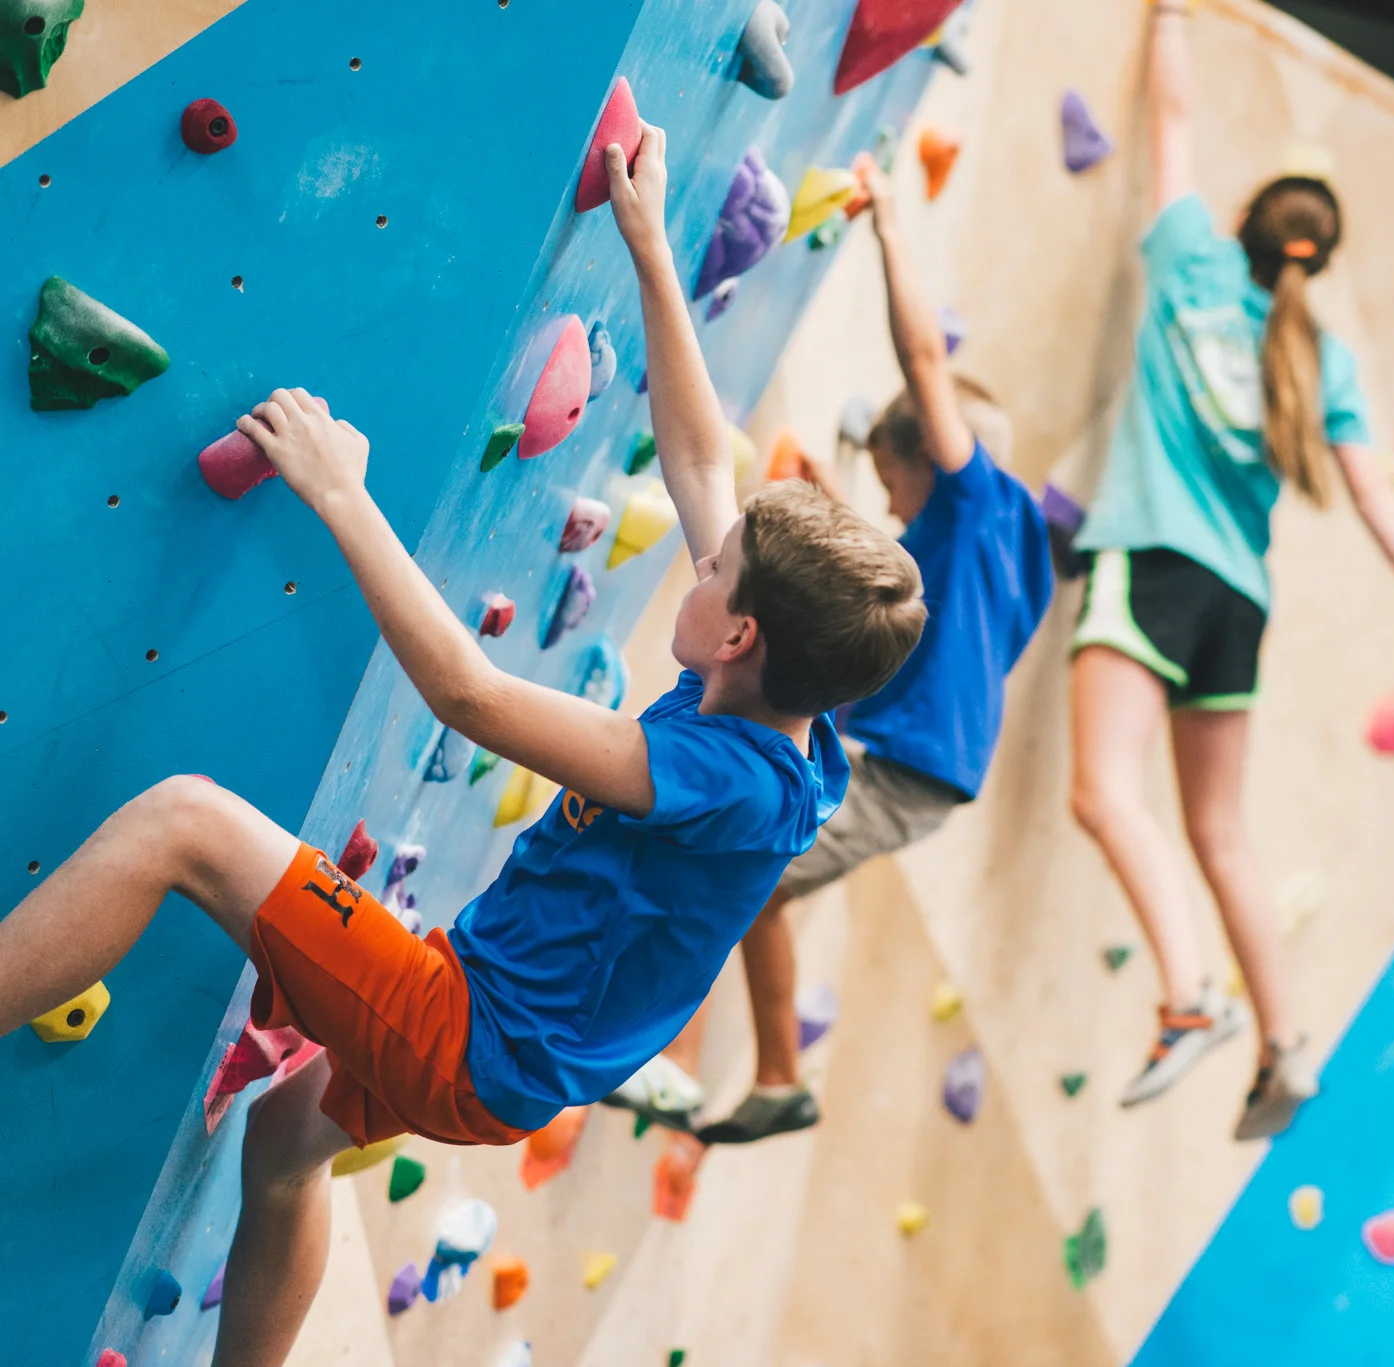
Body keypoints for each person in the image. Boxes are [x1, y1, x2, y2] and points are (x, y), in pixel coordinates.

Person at [0, 124, 924, 1367]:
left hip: (469, 1029)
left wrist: (340, 489)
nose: (699, 558)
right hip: (506, 1053)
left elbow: (473, 699)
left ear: (740, 628)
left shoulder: (722, 774)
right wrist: (651, 246)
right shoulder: (784, 711)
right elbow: (707, 461)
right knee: (284, 1144)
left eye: (715, 569)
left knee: (185, 822)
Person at [1066, 0, 1394, 1141]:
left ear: (1244, 222)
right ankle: (1285, 1044)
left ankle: (1190, 995)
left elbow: (1175, 117)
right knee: (1221, 832)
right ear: (1318, 263)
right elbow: (1373, 489)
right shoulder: (1322, 355)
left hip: (1150, 561)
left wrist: (1169, 20)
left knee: (1104, 790)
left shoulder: (1192, 263)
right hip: (1235, 603)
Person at [687, 151, 1055, 1145]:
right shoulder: (1004, 545)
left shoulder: (972, 496)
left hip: (901, 768)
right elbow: (908, 592)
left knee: (748, 870)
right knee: (756, 879)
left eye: (892, 480)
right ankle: (772, 1073)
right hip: (917, 768)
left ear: (925, 459)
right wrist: (823, 504)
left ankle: (766, 1072)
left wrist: (891, 221)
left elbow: (925, 368)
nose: (889, 499)